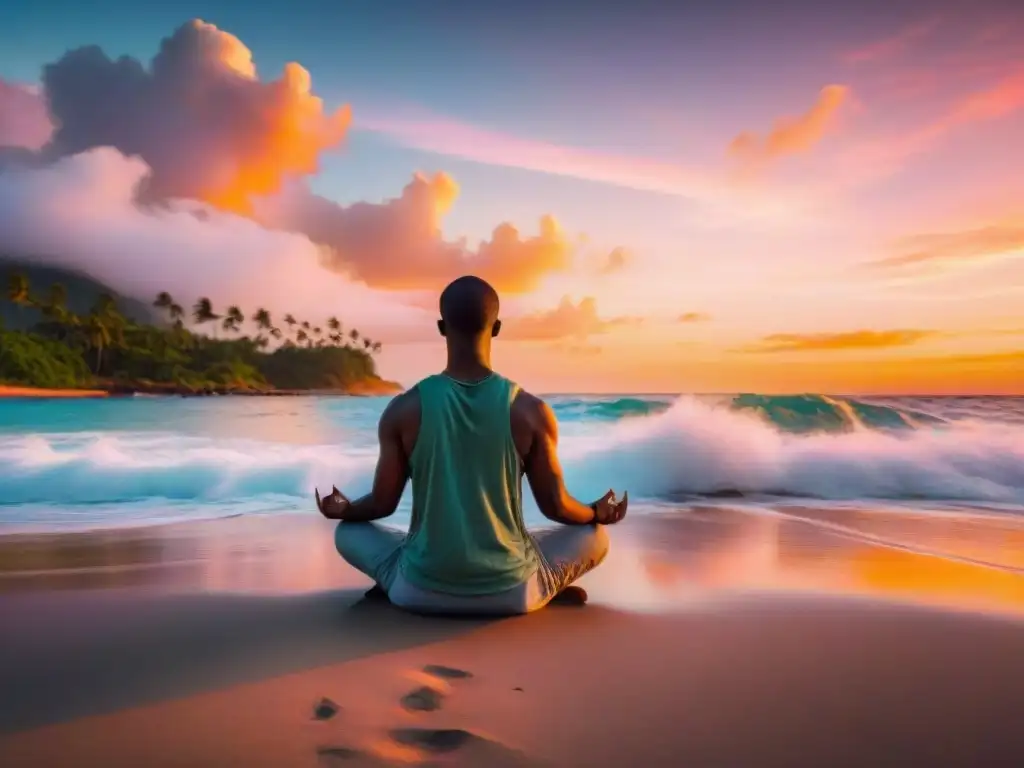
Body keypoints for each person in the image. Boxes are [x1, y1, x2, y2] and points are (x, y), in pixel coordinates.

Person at [315, 275, 628, 615]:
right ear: (496, 328)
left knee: (348, 532)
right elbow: (558, 508)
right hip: (512, 595)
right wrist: (598, 512)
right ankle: (546, 586)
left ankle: (394, 582)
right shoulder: (531, 411)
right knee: (595, 537)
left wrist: (346, 509)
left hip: (418, 591)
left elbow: (381, 504)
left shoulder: (403, 409)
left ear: (441, 327)